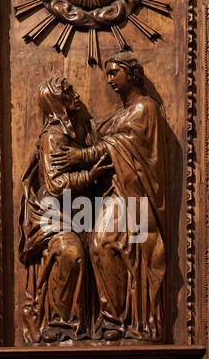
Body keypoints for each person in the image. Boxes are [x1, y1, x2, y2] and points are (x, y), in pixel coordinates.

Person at [55, 50, 168, 342]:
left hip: (133, 197)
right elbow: (106, 134)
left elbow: (124, 144)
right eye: (106, 73)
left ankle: (119, 319)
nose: (109, 80)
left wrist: (83, 155)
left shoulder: (146, 108)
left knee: (103, 242)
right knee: (97, 246)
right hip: (111, 192)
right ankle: (111, 318)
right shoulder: (119, 114)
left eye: (114, 72)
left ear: (132, 74)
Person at [18, 76, 111, 343]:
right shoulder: (52, 137)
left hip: (80, 212)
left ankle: (105, 322)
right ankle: (61, 325)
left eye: (72, 88)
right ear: (56, 101)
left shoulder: (78, 131)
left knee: (107, 245)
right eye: (68, 91)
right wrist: (90, 175)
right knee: (70, 252)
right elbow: (56, 185)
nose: (76, 94)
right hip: (51, 215)